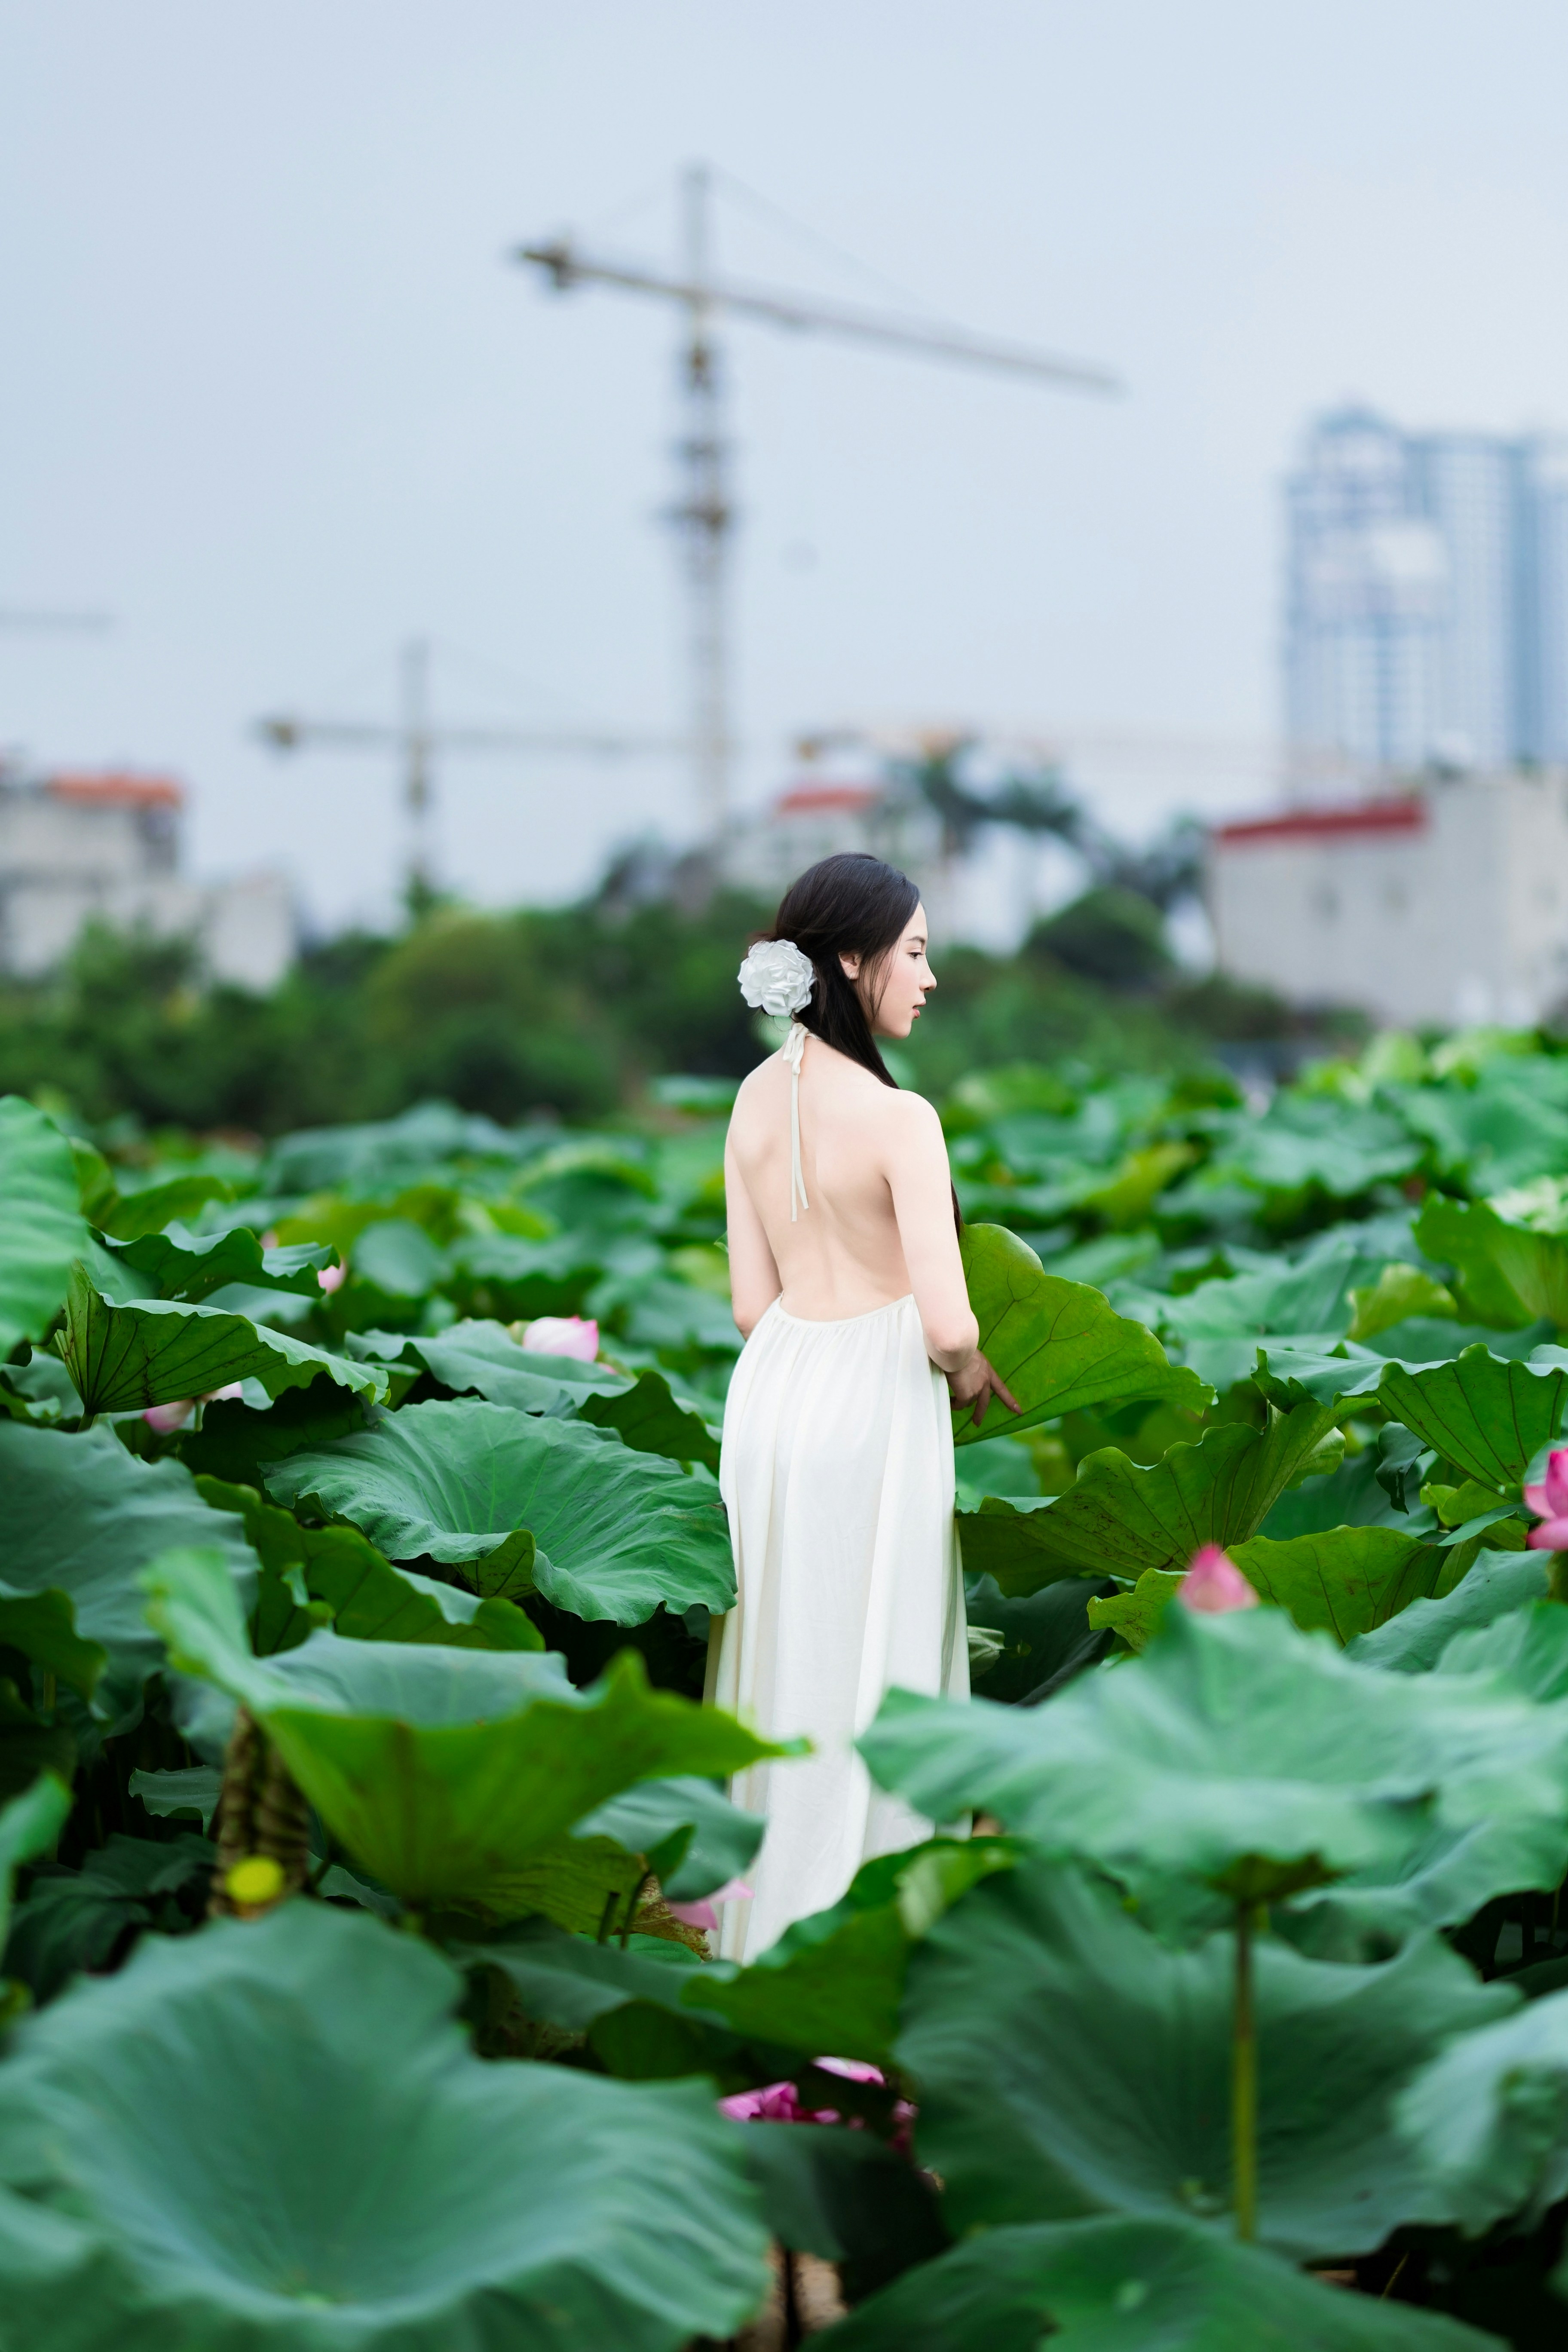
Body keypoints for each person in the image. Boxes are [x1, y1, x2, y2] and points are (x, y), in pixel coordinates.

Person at [706, 852, 1019, 1962]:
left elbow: (754, 1305)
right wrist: (973, 1366)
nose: (930, 978)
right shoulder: (902, 1118)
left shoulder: (748, 1104)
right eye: (919, 952)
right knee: (877, 1672)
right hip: (874, 1401)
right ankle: (871, 1943)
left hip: (776, 1398)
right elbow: (947, 1324)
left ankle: (761, 1934)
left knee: (786, 1671)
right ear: (852, 958)